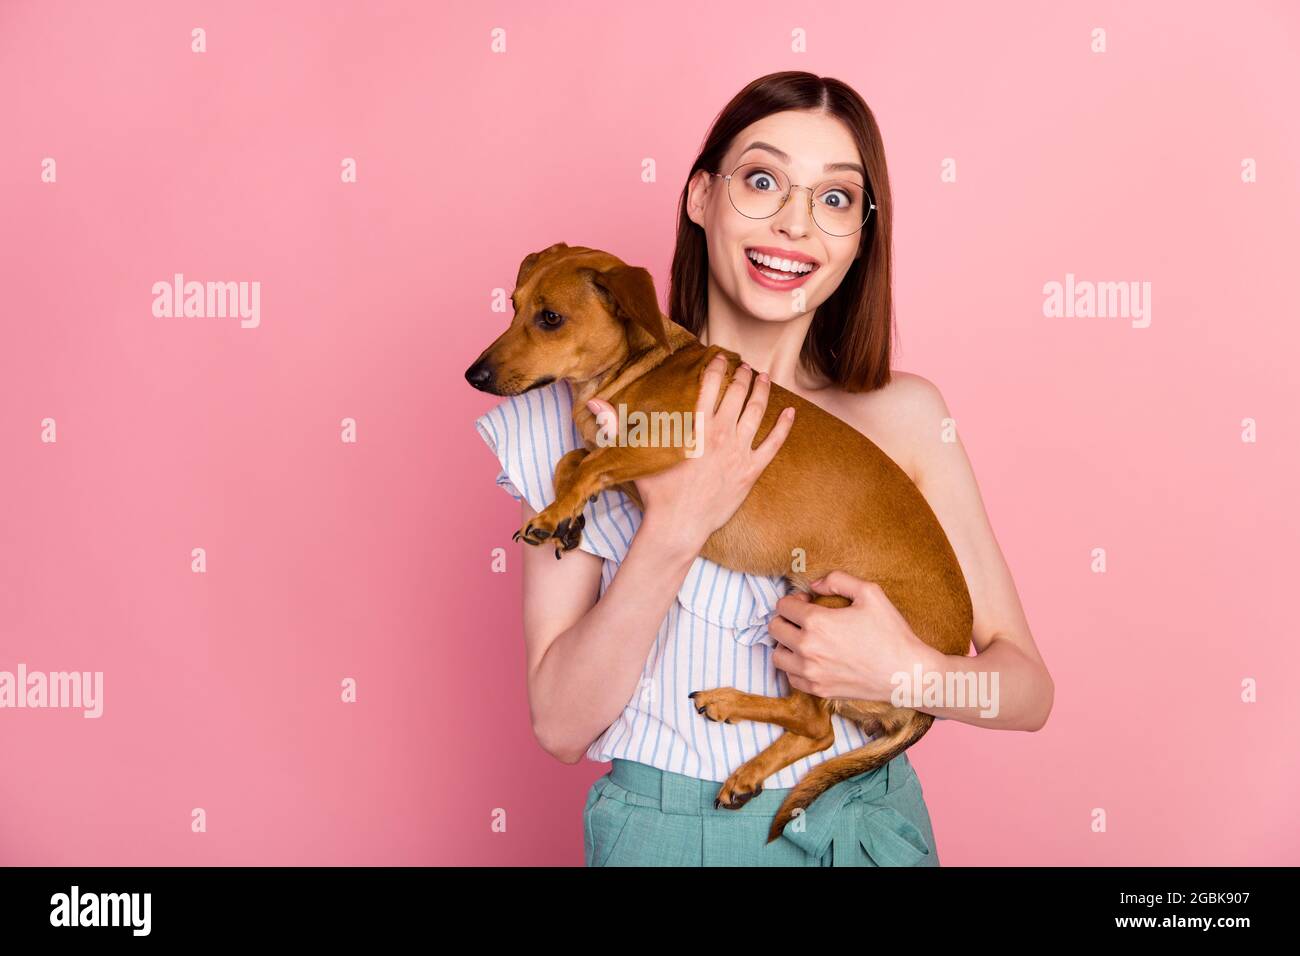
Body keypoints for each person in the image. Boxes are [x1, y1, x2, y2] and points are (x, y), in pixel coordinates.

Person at [474, 70, 1054, 866]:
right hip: (673, 838)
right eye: (761, 180)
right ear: (700, 196)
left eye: (836, 198)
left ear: (862, 233)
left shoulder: (908, 416)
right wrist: (676, 523)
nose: (794, 225)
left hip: (874, 829)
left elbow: (1027, 693)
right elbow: (560, 727)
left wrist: (914, 673)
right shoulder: (568, 413)